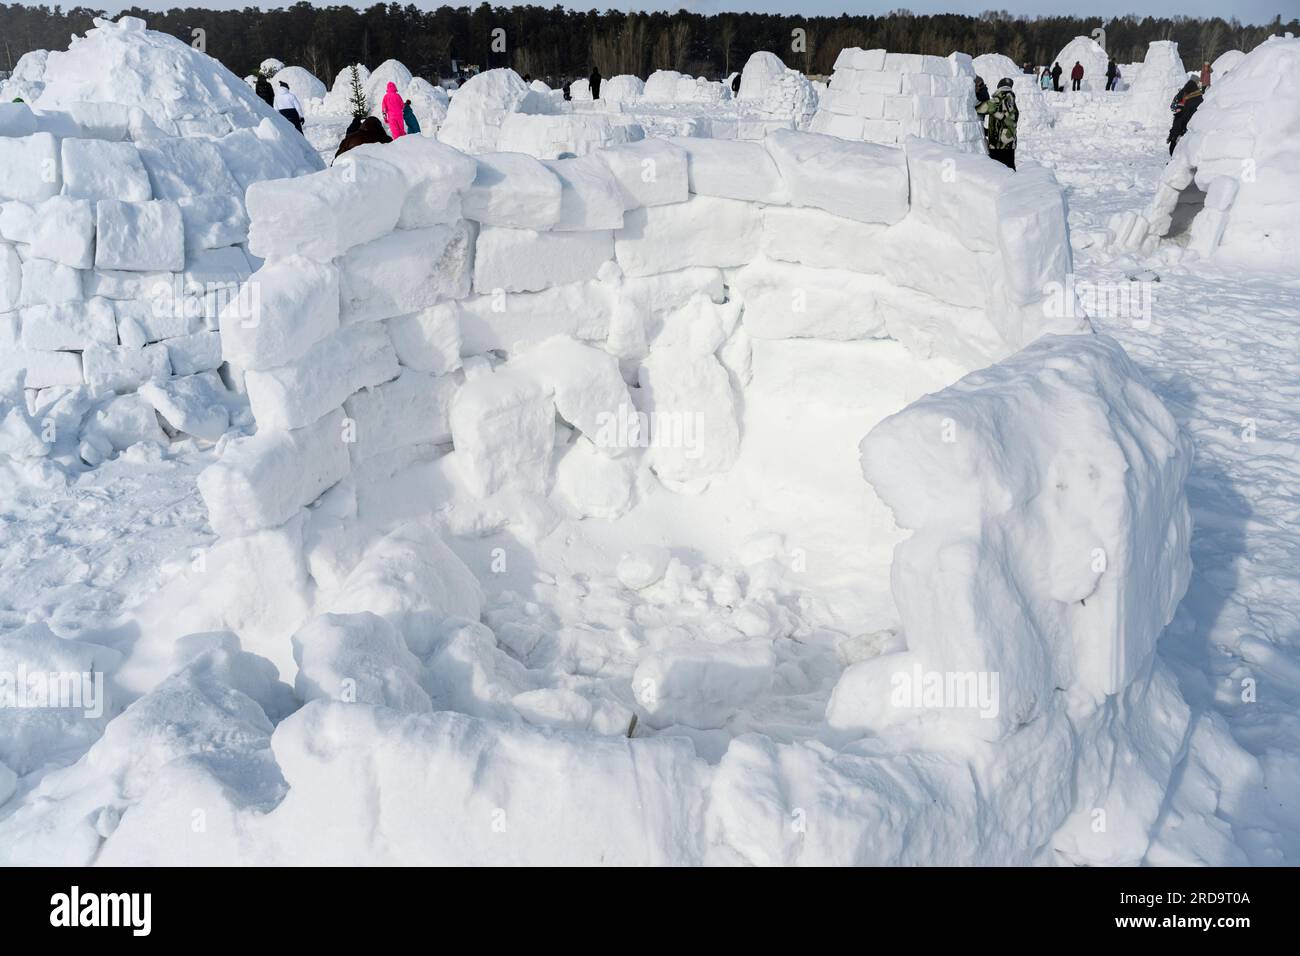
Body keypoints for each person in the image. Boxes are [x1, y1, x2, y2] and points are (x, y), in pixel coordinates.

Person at [977, 77, 1019, 170]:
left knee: (998, 171)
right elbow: (1006, 123)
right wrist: (988, 132)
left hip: (998, 145)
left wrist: (981, 92)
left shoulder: (998, 100)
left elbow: (980, 108)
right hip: (1010, 143)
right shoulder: (1012, 102)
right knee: (1010, 169)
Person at [1167, 80, 1203, 155]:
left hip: (1186, 127)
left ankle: (1175, 161)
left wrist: (1173, 134)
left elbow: (1181, 118)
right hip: (1193, 126)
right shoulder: (1199, 97)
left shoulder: (1188, 99)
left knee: (1176, 147)